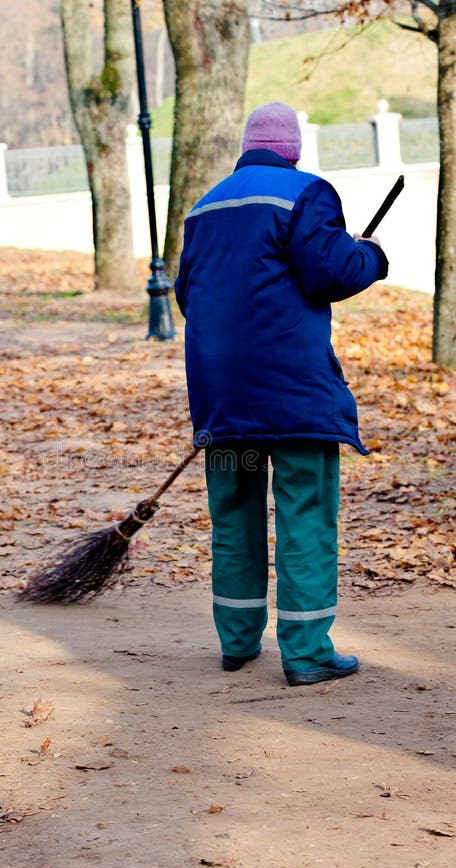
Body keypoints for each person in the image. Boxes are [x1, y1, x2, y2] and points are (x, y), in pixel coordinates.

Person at [174, 101, 389, 686]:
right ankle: (307, 650)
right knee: (306, 511)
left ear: (246, 148)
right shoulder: (306, 193)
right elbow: (331, 272)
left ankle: (238, 641)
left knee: (235, 511)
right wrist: (371, 255)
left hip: (224, 396)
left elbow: (187, 293)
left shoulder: (204, 206)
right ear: (293, 150)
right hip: (294, 396)